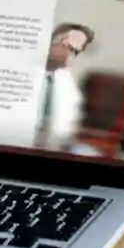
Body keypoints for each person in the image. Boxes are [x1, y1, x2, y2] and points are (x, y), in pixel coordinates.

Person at [35, 23, 95, 152]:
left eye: (75, 50)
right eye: (66, 45)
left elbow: (68, 123)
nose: (68, 54)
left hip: (58, 146)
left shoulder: (65, 79)